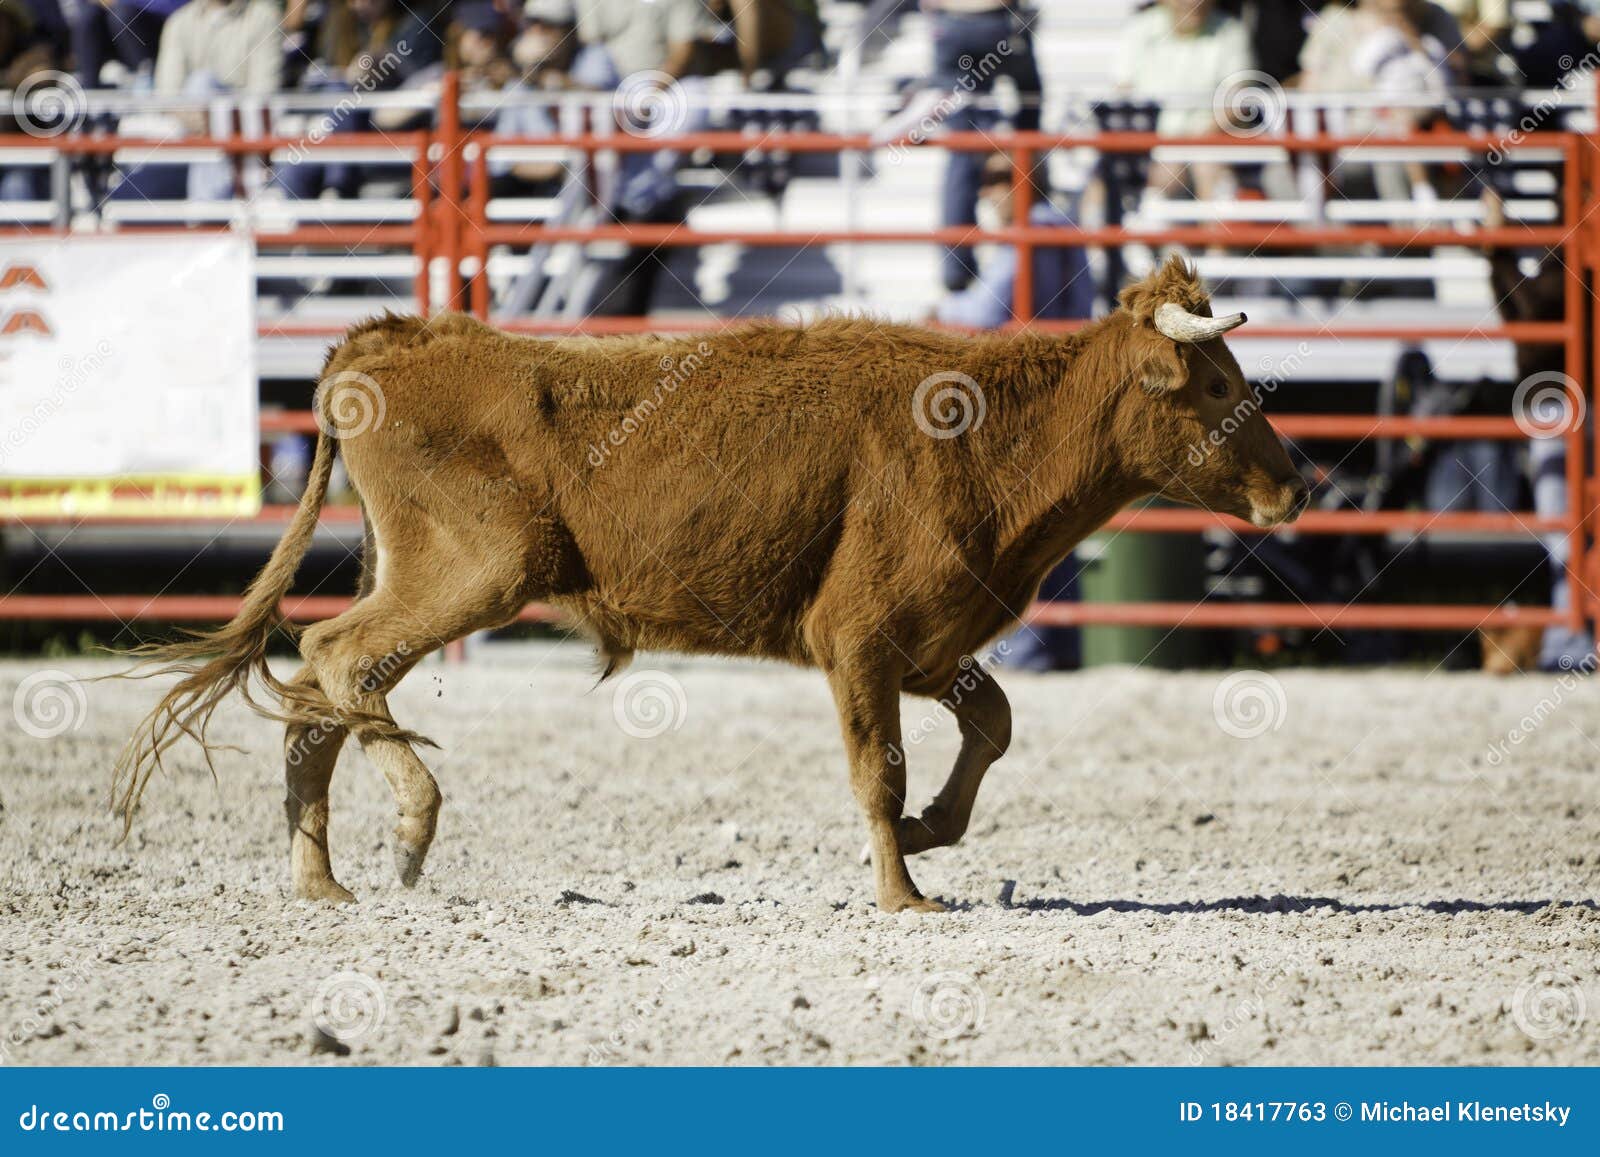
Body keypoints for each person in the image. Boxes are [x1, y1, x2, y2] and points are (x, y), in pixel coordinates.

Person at [939, 154, 1094, 671]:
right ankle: (1056, 645)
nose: (984, 194)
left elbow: (986, 312)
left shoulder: (1027, 236)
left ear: (1017, 184)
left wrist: (939, 313)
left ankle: (1028, 651)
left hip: (1024, 398)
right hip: (1067, 392)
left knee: (1019, 526)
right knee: (1058, 523)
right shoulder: (1067, 231)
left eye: (992, 182)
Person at [1114, 0, 1253, 201]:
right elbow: (1122, 94)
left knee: (1210, 170)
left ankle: (1214, 231)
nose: (1192, 3)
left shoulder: (1231, 32)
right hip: (1150, 146)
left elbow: (1236, 98)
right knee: (1110, 182)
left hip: (1208, 142)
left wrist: (1196, 139)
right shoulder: (1139, 29)